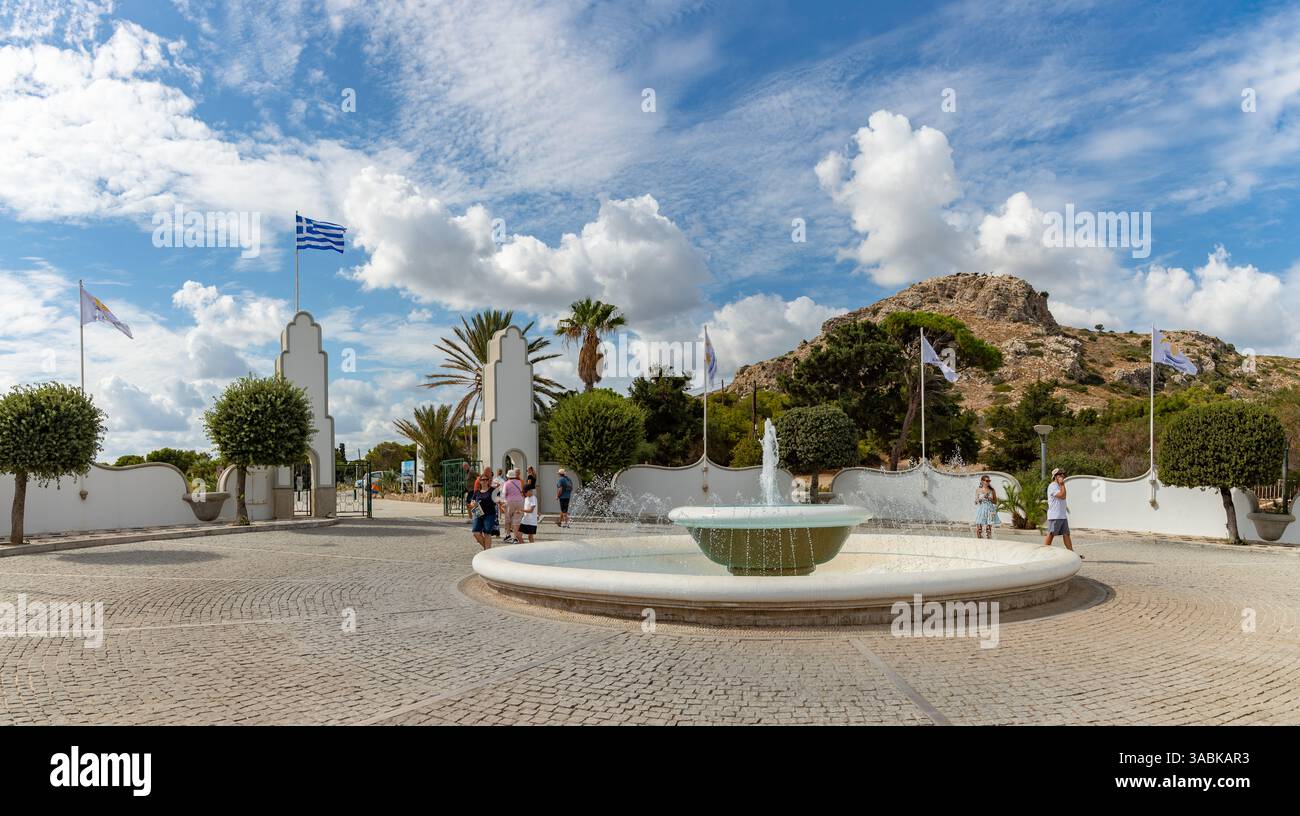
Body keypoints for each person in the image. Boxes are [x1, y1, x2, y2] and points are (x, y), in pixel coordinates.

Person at [1044, 467, 1081, 558]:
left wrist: (1061, 485)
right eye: (1060, 474)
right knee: (1051, 534)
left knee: (1066, 534)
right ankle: (1043, 552)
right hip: (1055, 516)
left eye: (1062, 474)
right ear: (1055, 476)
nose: (1062, 476)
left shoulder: (1059, 485)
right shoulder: (1052, 486)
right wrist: (1062, 484)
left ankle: (1072, 554)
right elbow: (1062, 496)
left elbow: (1063, 495)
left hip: (1062, 515)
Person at [468, 470, 498, 550]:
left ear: (488, 481)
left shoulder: (492, 490)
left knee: (487, 533)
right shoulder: (477, 492)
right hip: (478, 513)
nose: (484, 481)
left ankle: (486, 551)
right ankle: (487, 549)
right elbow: (471, 502)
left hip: (489, 514)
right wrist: (472, 504)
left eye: (486, 480)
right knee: (475, 532)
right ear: (480, 481)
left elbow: (498, 500)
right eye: (482, 480)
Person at [502, 468, 525, 544]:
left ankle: (508, 535)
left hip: (510, 502)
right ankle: (515, 538)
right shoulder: (519, 482)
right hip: (520, 502)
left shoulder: (506, 483)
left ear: (508, 476)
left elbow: (504, 494)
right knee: (516, 521)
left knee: (508, 519)